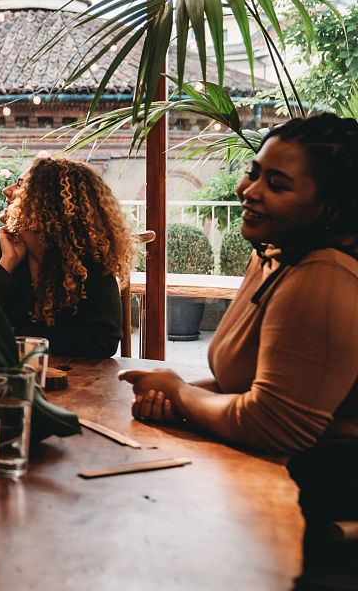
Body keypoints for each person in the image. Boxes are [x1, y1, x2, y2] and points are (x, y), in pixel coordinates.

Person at [119, 113, 358, 589]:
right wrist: (180, 393)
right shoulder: (272, 253)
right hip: (265, 475)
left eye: (278, 183)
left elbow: (272, 422)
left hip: (319, 505)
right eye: (254, 172)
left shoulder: (324, 277)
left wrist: (181, 395)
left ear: (329, 205)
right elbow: (250, 382)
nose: (249, 189)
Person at [0, 156, 134, 358]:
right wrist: (7, 263)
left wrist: (16, 336)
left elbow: (103, 341)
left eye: (21, 185)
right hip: (4, 375)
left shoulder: (89, 258)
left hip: (75, 379)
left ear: (51, 202)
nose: (7, 191)